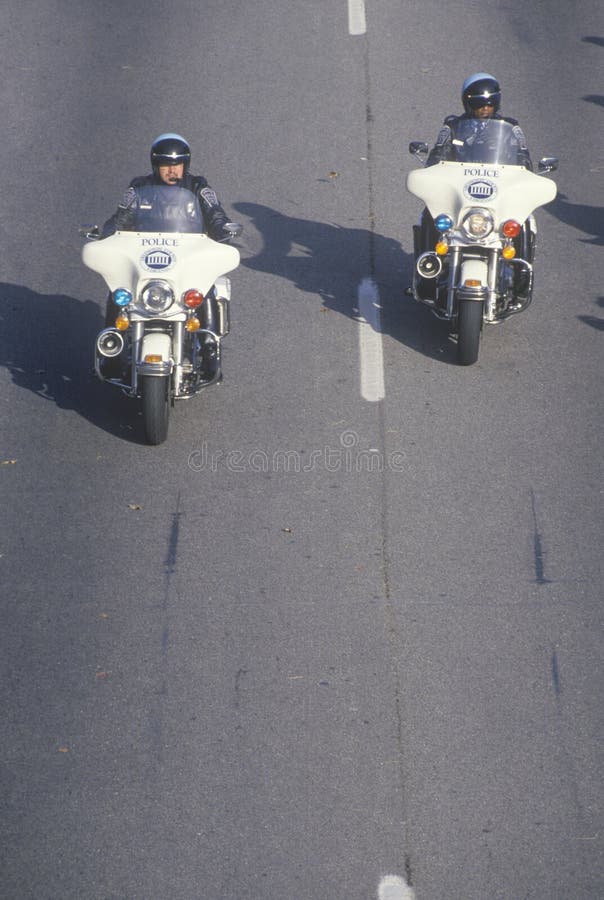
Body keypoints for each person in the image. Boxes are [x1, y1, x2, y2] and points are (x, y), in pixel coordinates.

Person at [415, 74, 534, 300]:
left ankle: (522, 274)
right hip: (461, 189)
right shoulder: (452, 126)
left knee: (524, 218)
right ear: (468, 102)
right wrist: (434, 167)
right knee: (431, 213)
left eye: (490, 103)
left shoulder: (511, 128)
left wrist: (524, 172)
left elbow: (524, 159)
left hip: (496, 188)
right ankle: (428, 271)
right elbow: (436, 155)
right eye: (479, 103)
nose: (485, 108)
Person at [102, 133, 232, 240]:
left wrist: (223, 230)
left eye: (177, 165)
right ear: (156, 166)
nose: (171, 171)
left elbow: (216, 216)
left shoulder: (198, 188)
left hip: (192, 255)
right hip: (144, 253)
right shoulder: (140, 189)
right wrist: (107, 235)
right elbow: (120, 220)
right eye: (165, 165)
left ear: (185, 165)